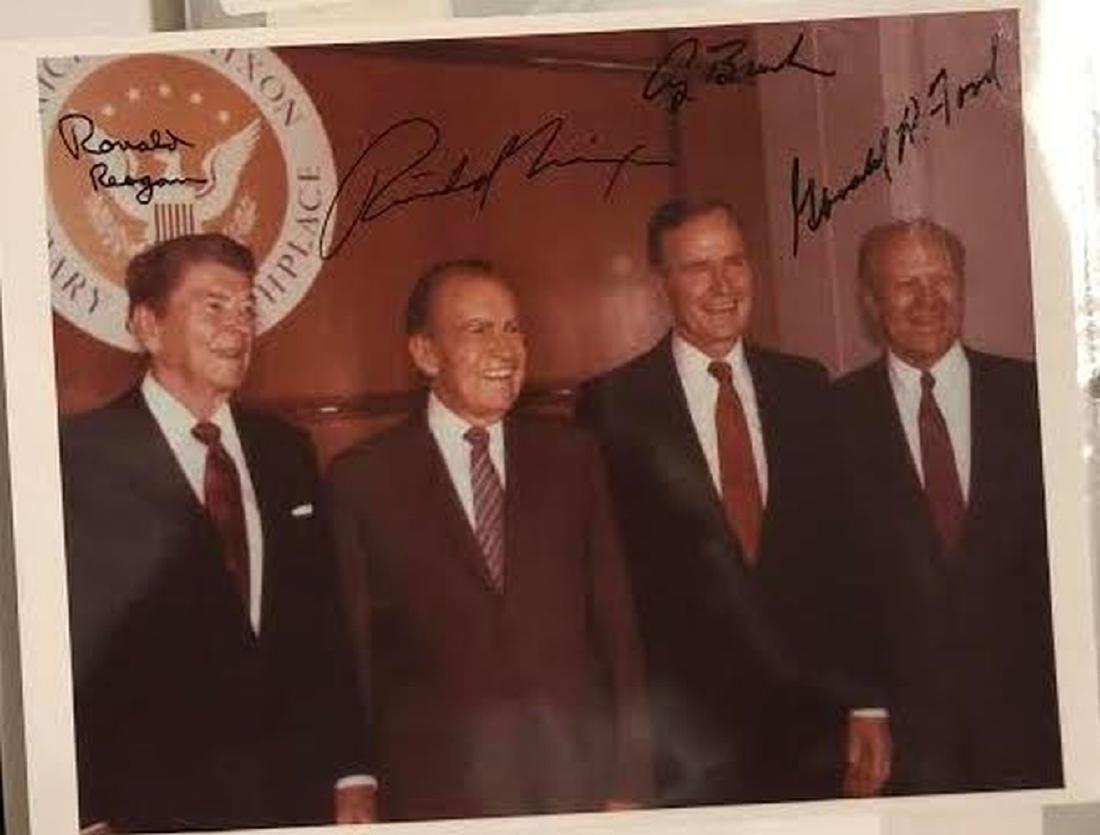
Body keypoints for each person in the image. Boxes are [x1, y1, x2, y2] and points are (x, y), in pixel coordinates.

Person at [576, 198, 890, 805]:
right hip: (686, 751)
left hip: (812, 735)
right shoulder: (613, 407)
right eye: (698, 267)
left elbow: (848, 558)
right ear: (661, 285)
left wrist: (868, 701)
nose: (722, 286)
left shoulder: (806, 387)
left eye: (735, 262)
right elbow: (604, 597)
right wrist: (622, 758)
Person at [60, 234, 371, 833]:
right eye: (214, 306)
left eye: (248, 308)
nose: (239, 326)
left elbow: (322, 621)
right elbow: (66, 648)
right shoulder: (79, 458)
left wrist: (352, 773)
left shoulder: (285, 449)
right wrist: (87, 811)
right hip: (152, 809)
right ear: (148, 326)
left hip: (295, 798)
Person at [326, 259, 651, 821]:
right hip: (435, 796)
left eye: (513, 328)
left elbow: (616, 626)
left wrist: (630, 778)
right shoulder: (363, 480)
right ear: (425, 353)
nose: (505, 349)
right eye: (478, 330)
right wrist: (357, 777)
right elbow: (352, 651)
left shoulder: (572, 459)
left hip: (574, 788)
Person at [832, 218, 1062, 794]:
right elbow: (828, 578)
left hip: (1034, 722)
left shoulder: (1035, 397)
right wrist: (864, 702)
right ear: (870, 302)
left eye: (942, 280)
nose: (928, 299)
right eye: (906, 284)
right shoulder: (831, 415)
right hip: (905, 738)